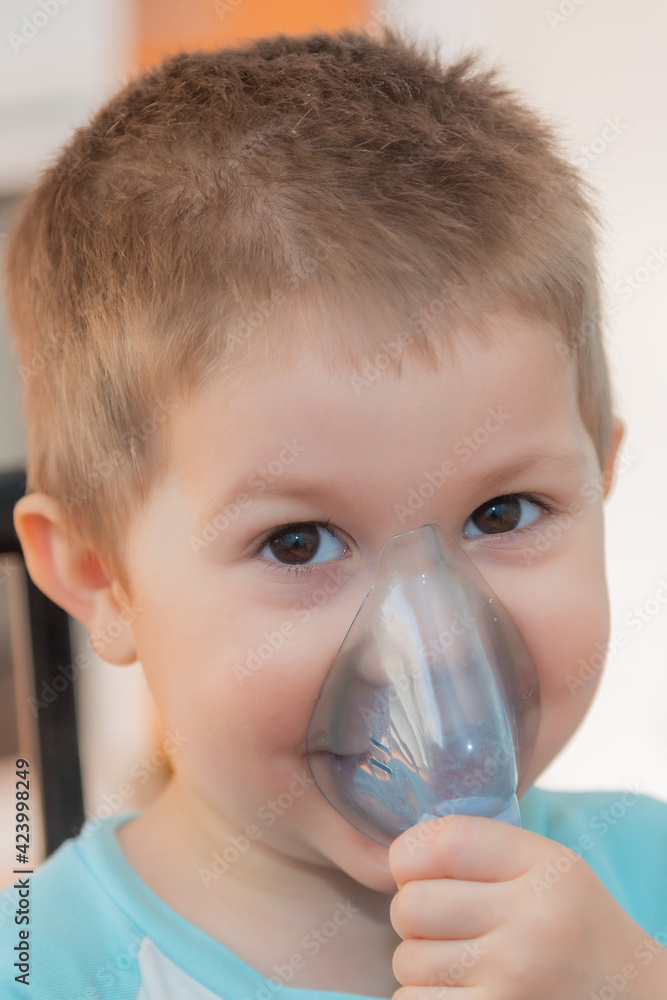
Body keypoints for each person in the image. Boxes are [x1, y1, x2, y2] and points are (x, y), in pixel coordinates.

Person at [1, 26, 666, 1000]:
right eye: (298, 541)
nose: (435, 646)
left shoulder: (642, 878)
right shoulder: (45, 967)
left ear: (601, 475)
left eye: (502, 511)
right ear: (103, 578)